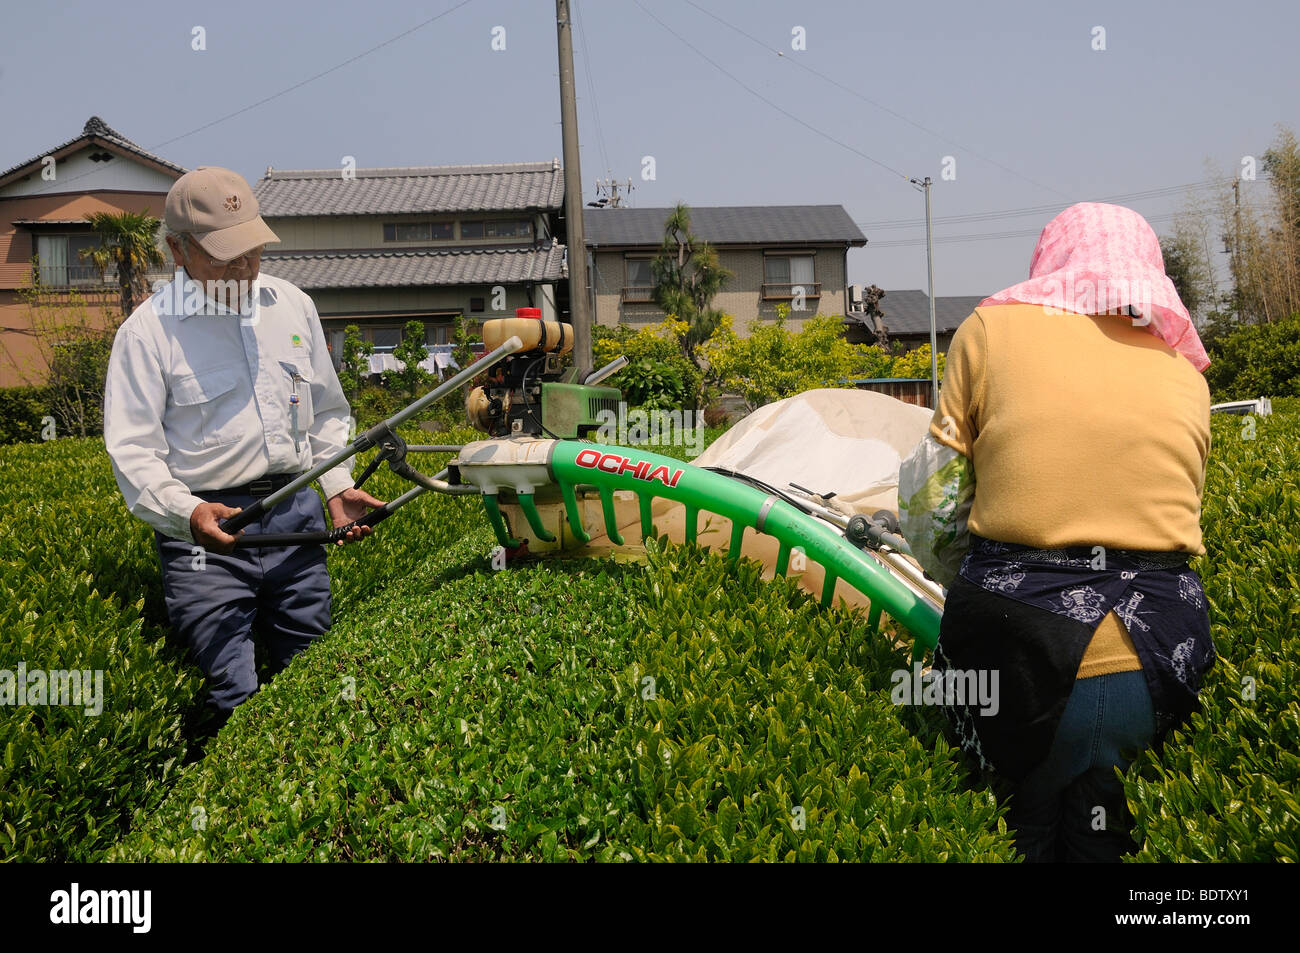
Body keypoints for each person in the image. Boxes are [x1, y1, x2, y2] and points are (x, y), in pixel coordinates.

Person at [898, 202, 1215, 863]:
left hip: (1017, 659)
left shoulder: (989, 331)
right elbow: (1180, 520)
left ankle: (1035, 809)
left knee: (1024, 817)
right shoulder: (1186, 373)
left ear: (1050, 264)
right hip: (1158, 663)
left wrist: (967, 571)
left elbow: (929, 507)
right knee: (1104, 828)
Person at [103, 166, 385, 730]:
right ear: (179, 250)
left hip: (296, 514)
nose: (244, 268)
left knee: (313, 677)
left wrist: (336, 485)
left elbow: (328, 412)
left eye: (252, 251)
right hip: (210, 532)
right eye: (224, 256)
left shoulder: (293, 305)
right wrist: (186, 512)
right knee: (231, 692)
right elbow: (133, 450)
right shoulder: (148, 333)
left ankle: (316, 805)